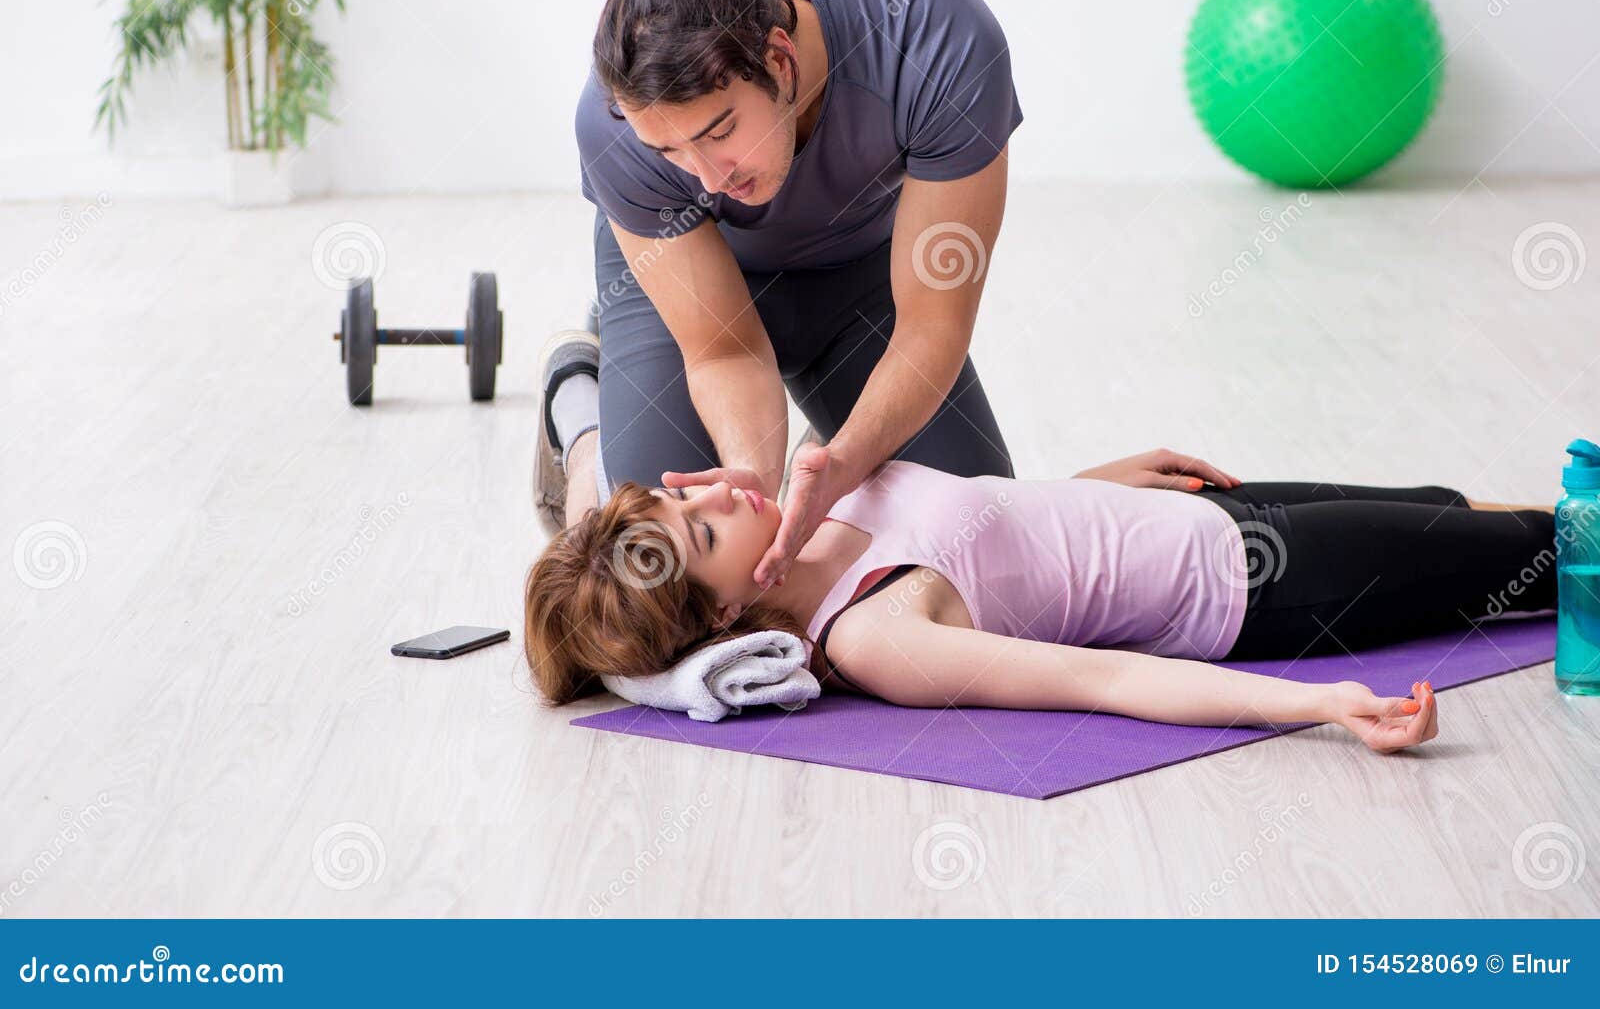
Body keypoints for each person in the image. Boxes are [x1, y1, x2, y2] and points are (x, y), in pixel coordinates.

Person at [538, 0, 1026, 595]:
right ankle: (584, 420)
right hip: (689, 292)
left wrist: (845, 462)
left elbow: (932, 327)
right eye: (670, 153)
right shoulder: (614, 123)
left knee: (975, 547)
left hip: (855, 272)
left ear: (779, 59)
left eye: (719, 131)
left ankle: (831, 440)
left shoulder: (936, 34)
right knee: (657, 581)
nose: (706, 181)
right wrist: (751, 481)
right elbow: (723, 351)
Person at [524, 434, 1557, 753]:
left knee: (1453, 504)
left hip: (1204, 515)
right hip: (1255, 589)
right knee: (1540, 553)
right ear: (720, 614)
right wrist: (1322, 705)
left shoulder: (810, 492)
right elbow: (1103, 679)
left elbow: (992, 518)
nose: (718, 492)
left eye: (679, 500)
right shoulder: (881, 636)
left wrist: (1103, 482)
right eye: (703, 529)